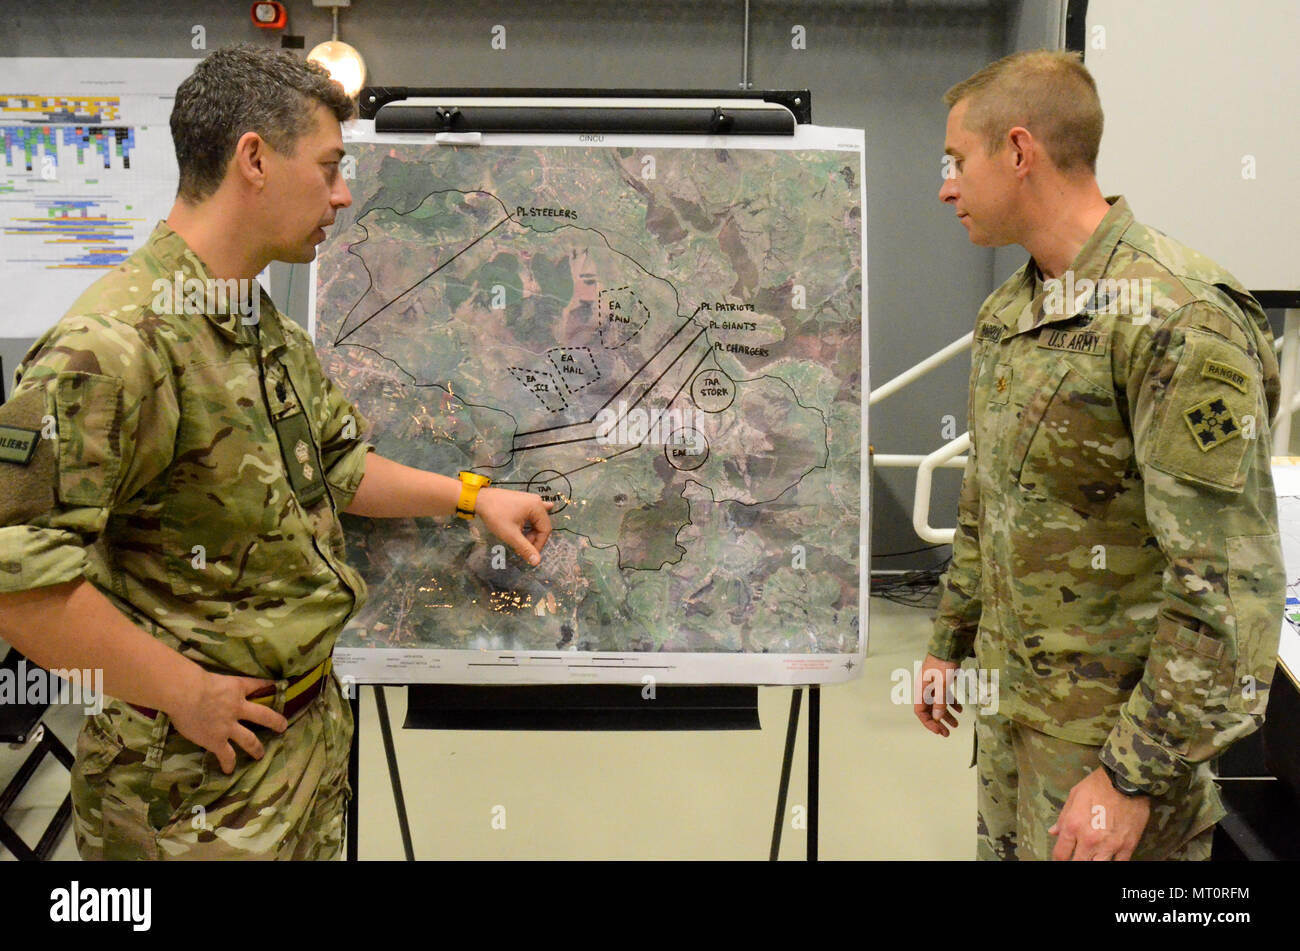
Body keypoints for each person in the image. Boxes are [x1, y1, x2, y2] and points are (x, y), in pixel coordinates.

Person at [0, 45, 552, 860]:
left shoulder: (259, 326)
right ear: (253, 159)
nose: (342, 193)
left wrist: (472, 497)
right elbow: (19, 583)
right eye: (329, 167)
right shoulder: (113, 346)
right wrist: (186, 692)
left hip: (299, 753)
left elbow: (337, 469)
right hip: (187, 795)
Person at [914, 49, 1284, 861]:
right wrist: (951, 640)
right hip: (1015, 718)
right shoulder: (1011, 312)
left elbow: (1225, 584)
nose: (946, 187)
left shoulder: (1178, 319)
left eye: (956, 162)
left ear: (1019, 151)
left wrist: (1130, 776)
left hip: (1115, 752)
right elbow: (987, 500)